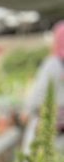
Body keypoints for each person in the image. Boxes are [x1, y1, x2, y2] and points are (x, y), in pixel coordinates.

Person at [21, 20, 64, 149]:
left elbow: (38, 93)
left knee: (38, 159)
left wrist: (27, 111)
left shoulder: (53, 63)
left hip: (47, 124)